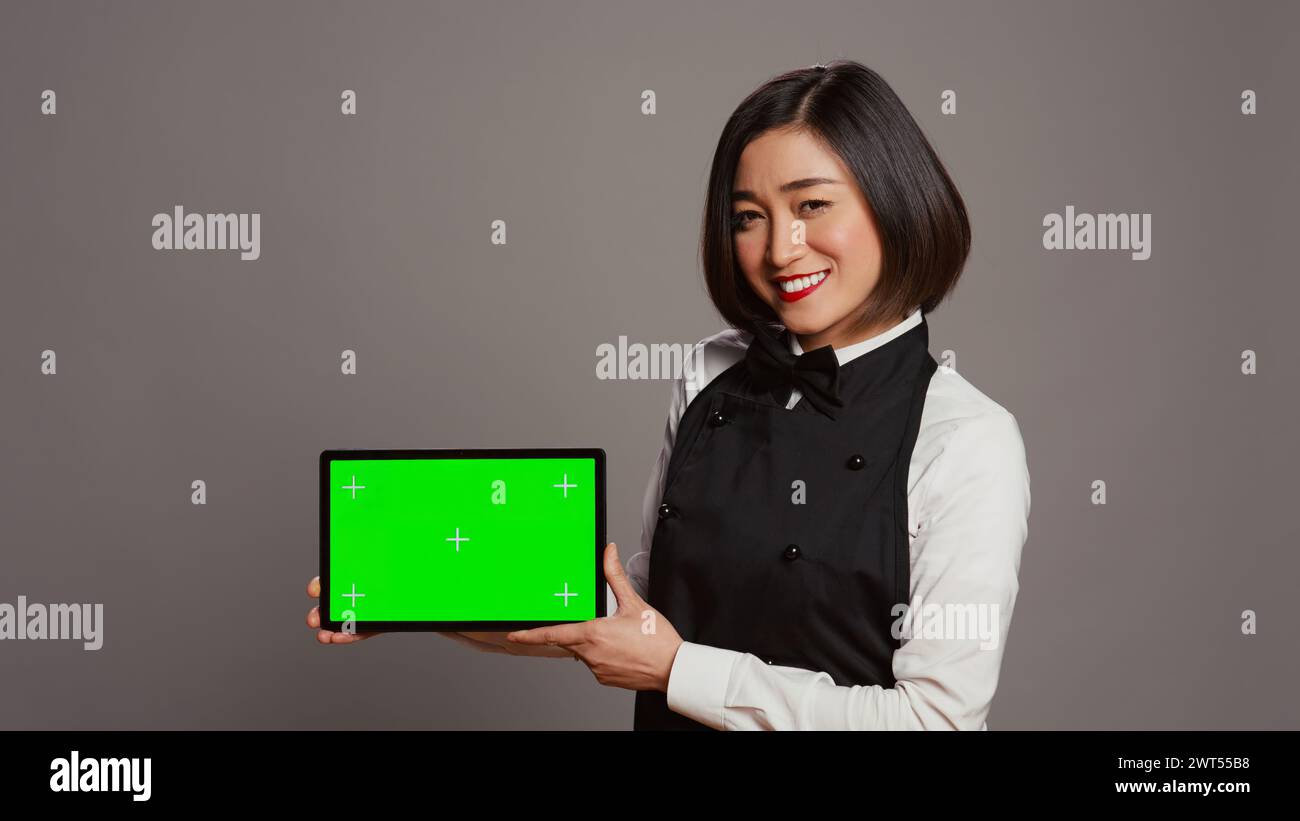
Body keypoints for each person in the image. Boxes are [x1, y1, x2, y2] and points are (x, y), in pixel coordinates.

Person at [306, 59, 1030, 730]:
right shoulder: (709, 374)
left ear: (895, 203)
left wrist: (682, 670)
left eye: (811, 204)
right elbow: (635, 617)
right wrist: (418, 596)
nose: (780, 248)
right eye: (750, 216)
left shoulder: (968, 438)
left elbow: (934, 720)